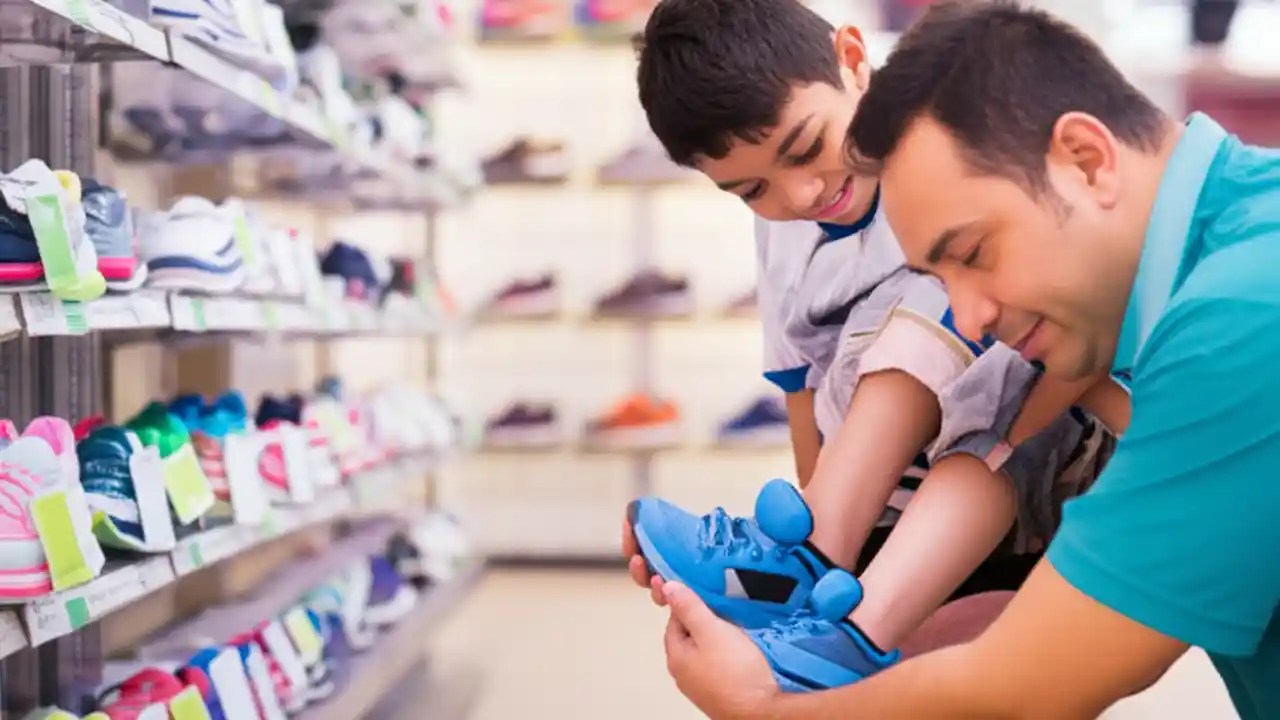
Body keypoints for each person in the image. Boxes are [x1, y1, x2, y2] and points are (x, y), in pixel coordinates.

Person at [655, 2, 1280, 718]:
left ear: (1086, 159)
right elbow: (1072, 648)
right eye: (939, 279)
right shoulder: (1217, 269)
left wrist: (760, 708)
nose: (971, 317)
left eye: (973, 254)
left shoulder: (1242, 318)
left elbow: (1027, 685)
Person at [622, 0, 1118, 690]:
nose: (801, 192)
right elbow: (798, 387)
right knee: (883, 673)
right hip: (896, 513)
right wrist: (836, 547)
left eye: (804, 147)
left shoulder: (950, 145)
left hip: (1028, 452)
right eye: (752, 189)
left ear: (855, 61)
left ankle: (807, 556)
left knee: (946, 297)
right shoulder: (786, 230)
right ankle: (830, 606)